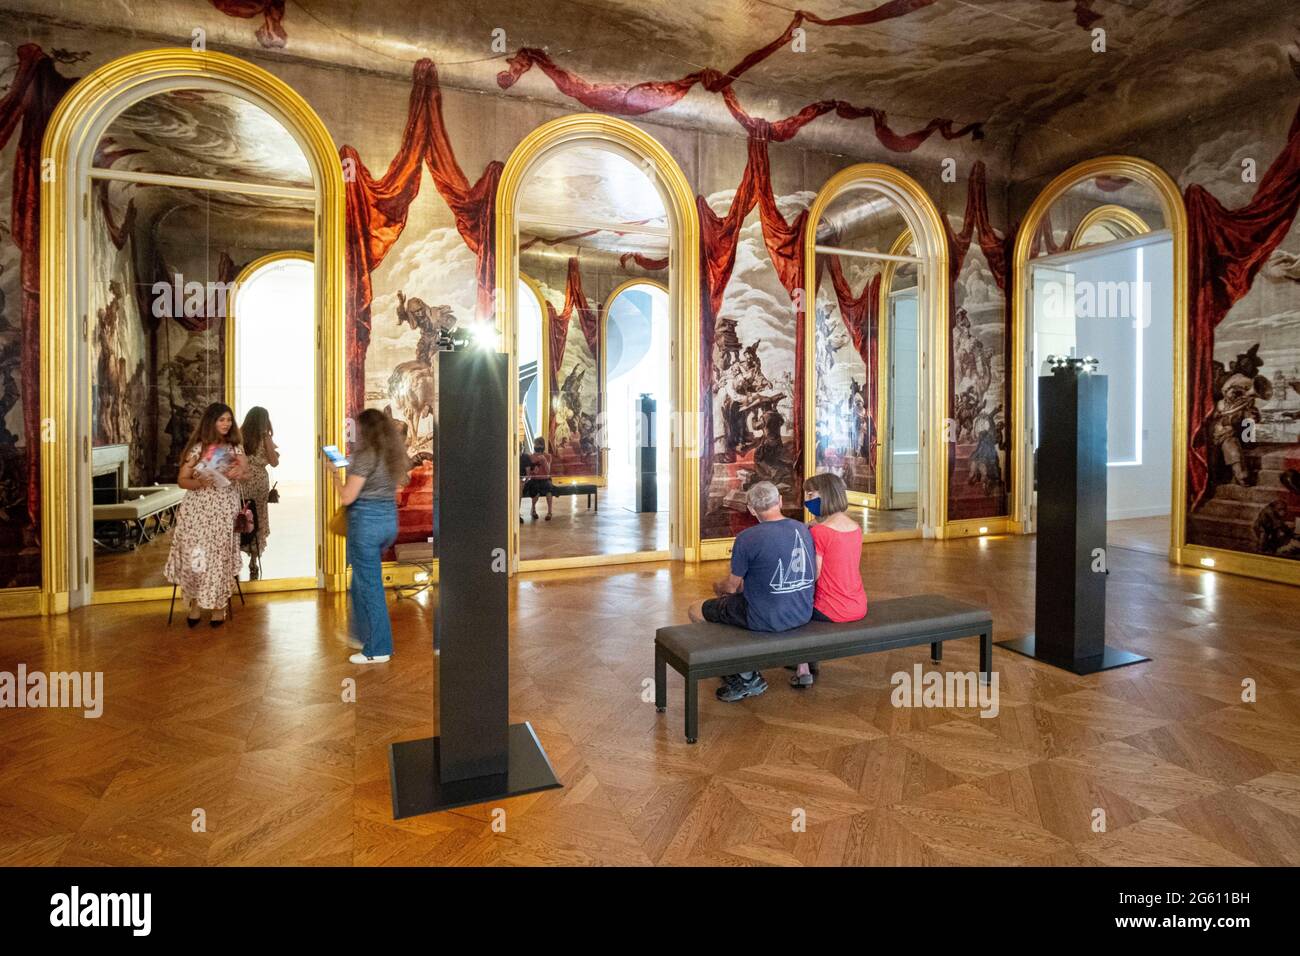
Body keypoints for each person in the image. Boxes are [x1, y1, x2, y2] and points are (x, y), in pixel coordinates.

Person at [687, 480, 814, 701]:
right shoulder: (801, 528)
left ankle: (746, 676)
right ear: (780, 501)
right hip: (801, 611)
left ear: (752, 509)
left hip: (765, 617)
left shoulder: (747, 538)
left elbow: (731, 587)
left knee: (696, 610)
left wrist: (717, 587)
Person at [331, 408, 408, 664]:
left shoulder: (365, 456)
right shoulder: (391, 454)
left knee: (370, 587)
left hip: (366, 525)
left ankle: (378, 648)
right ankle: (360, 633)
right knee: (361, 581)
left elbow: (347, 497)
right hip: (388, 522)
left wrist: (334, 477)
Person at [164, 402, 248, 628]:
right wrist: (199, 482)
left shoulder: (235, 447)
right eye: (221, 420)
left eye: (229, 420)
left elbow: (246, 472)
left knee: (219, 556)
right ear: (211, 422)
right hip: (197, 510)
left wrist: (239, 471)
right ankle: (194, 603)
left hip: (223, 510)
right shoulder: (198, 449)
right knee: (197, 555)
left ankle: (218, 606)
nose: (226, 424)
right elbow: (182, 481)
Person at [790, 472, 868, 687]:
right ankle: (807, 657)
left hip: (831, 608)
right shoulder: (855, 527)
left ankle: (803, 667)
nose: (806, 500)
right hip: (857, 603)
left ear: (825, 495)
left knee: (792, 607)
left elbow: (813, 575)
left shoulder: (820, 532)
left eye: (810, 494)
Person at [237, 406, 280, 579]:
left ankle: (235, 554)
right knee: (257, 517)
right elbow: (274, 462)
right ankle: (253, 560)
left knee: (240, 515)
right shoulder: (265, 437)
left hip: (241, 479)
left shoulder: (239, 435)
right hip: (259, 482)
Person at [522, 437, 554, 521]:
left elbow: (548, 472)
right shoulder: (531, 456)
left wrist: (544, 461)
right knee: (536, 493)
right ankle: (533, 509)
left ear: (542, 445)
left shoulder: (548, 456)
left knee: (549, 492)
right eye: (535, 444)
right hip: (535, 479)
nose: (536, 446)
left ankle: (549, 512)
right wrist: (533, 472)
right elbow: (530, 472)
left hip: (545, 479)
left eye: (538, 444)